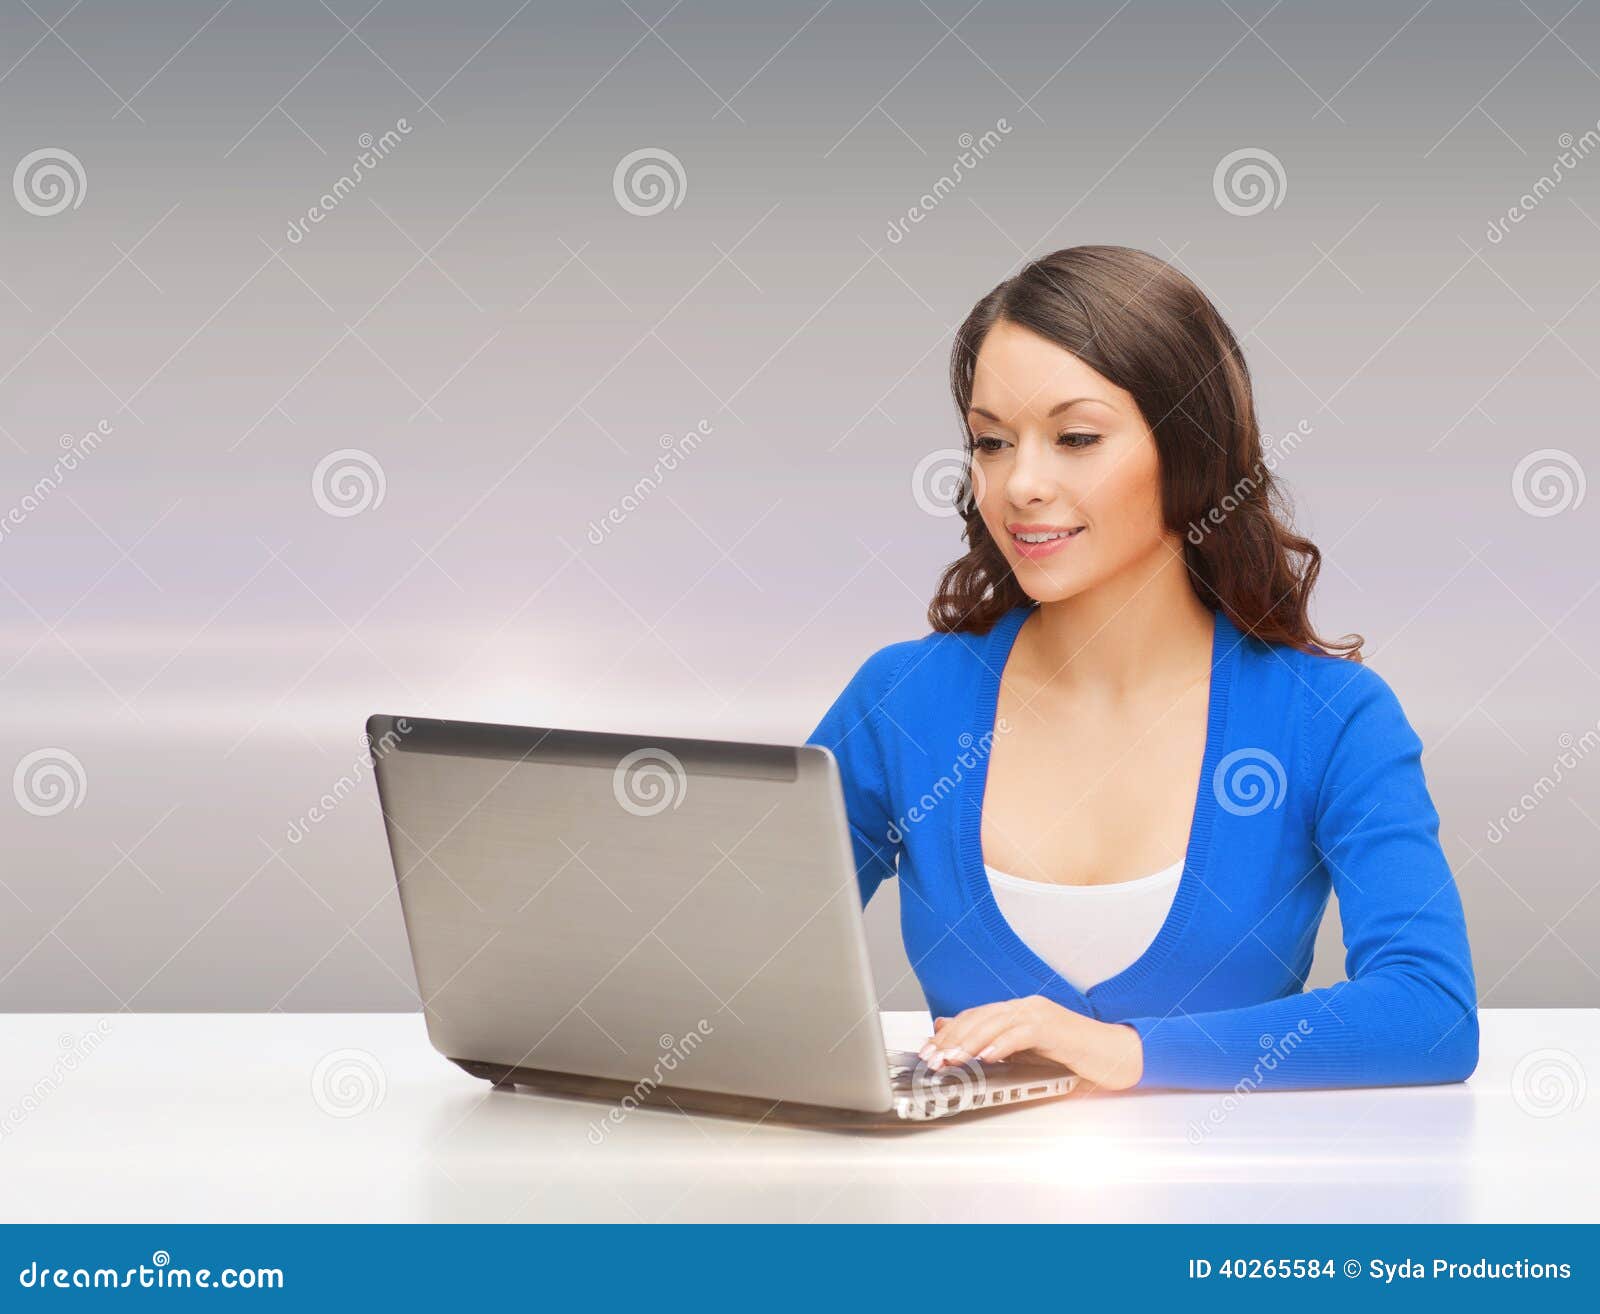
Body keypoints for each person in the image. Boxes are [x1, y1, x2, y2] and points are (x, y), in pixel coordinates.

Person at [806, 245, 1478, 1092]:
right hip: (956, 1212)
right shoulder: (900, 701)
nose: (1021, 484)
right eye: (991, 442)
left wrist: (1126, 1054)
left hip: (1242, 1212)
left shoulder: (1332, 716)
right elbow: (735, 966)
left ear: (1189, 450)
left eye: (1076, 437)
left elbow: (1430, 1012)